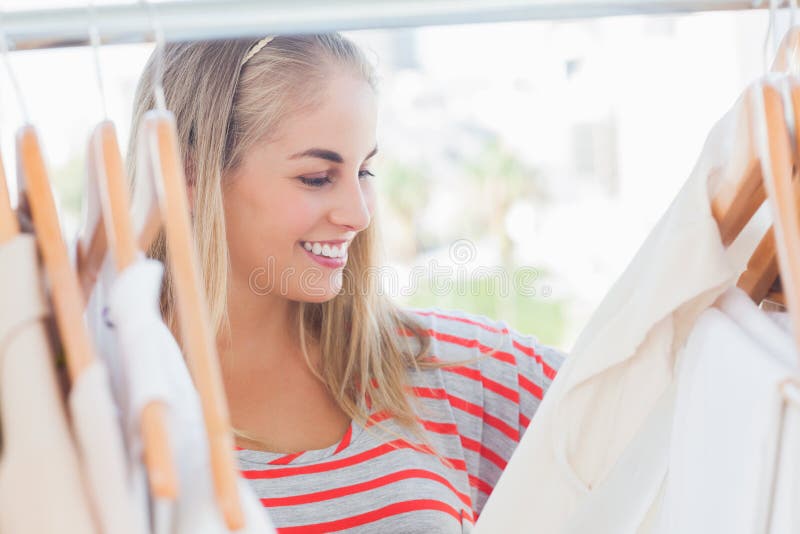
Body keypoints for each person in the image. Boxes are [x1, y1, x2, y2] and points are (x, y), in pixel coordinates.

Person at [127, 33, 566, 533]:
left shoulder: (451, 370)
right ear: (189, 173)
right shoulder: (112, 408)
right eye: (317, 177)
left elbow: (654, 391)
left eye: (364, 171)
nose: (358, 214)